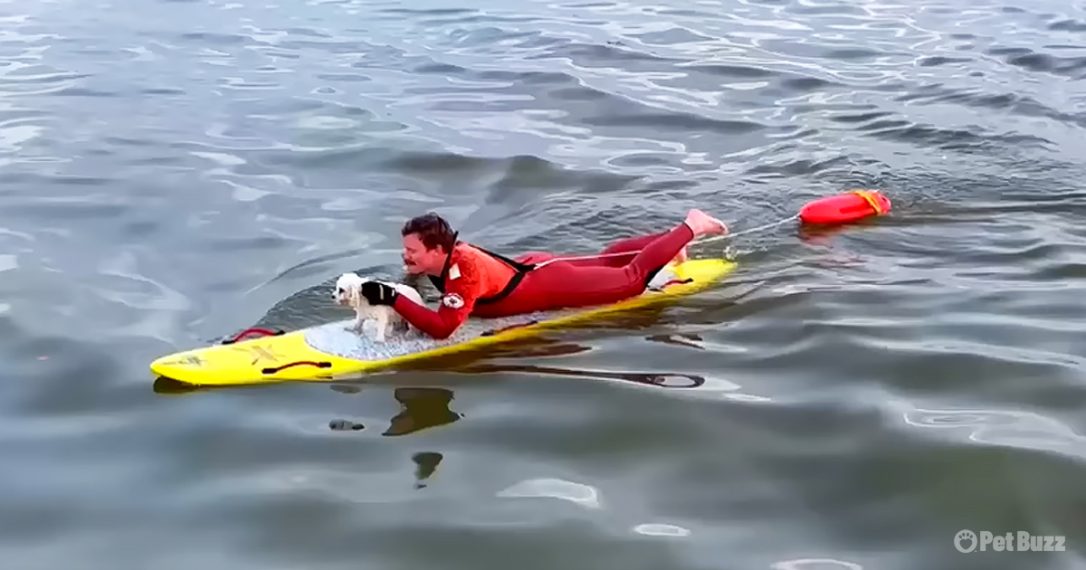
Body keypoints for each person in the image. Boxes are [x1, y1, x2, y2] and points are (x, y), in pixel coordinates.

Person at [359, 209, 728, 339]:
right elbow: (416, 288)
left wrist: (393, 299)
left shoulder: (463, 272)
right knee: (605, 263)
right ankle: (670, 243)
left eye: (412, 251)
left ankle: (691, 226)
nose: (405, 255)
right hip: (533, 270)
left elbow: (443, 328)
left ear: (437, 250)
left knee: (632, 280)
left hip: (552, 285)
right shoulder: (440, 258)